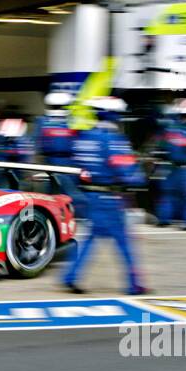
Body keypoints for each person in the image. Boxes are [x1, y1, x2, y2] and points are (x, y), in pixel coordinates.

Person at [63, 97, 148, 296]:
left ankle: (71, 276)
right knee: (124, 242)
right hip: (109, 199)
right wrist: (140, 178)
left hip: (90, 197)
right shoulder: (114, 140)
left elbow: (76, 168)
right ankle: (134, 283)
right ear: (114, 115)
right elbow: (128, 171)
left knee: (91, 238)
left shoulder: (84, 138)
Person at [154, 101, 186, 230]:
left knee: (167, 194)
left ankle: (164, 219)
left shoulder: (168, 130)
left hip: (170, 167)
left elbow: (159, 149)